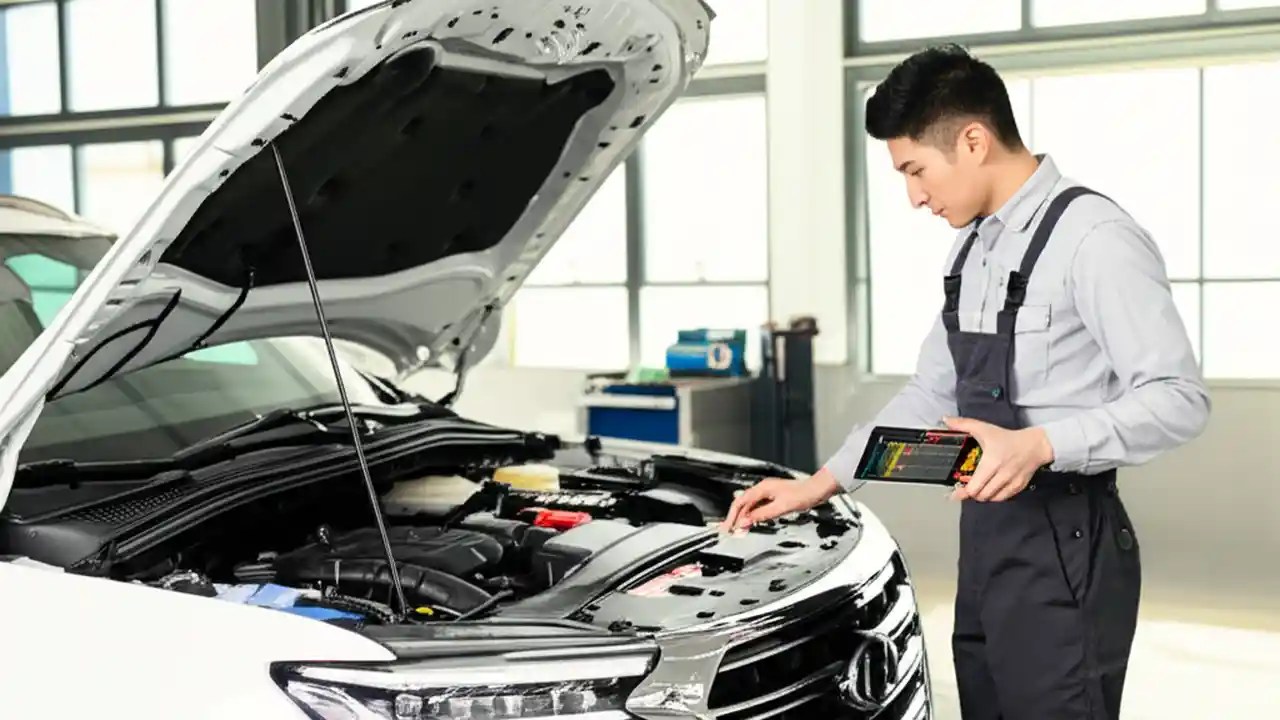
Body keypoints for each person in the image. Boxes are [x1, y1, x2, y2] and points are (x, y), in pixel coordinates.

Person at [722, 44, 1210, 719]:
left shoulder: (1095, 238)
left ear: (974, 141)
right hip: (985, 542)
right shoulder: (974, 247)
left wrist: (1038, 445)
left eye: (916, 170)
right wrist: (821, 482)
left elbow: (1178, 399)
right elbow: (932, 391)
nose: (915, 195)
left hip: (1066, 544)